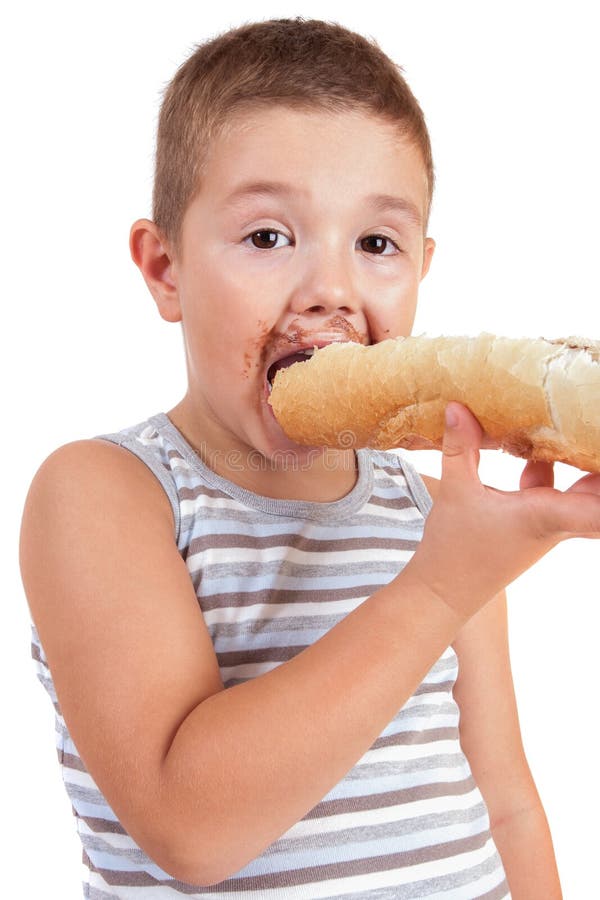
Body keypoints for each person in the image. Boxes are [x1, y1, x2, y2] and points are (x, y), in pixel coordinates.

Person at [19, 17, 600, 900]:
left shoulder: (437, 511)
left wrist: (456, 566)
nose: (331, 288)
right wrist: (440, 587)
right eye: (267, 237)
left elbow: (507, 801)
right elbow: (189, 828)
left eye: (376, 244)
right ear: (165, 268)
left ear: (423, 268)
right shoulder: (106, 495)